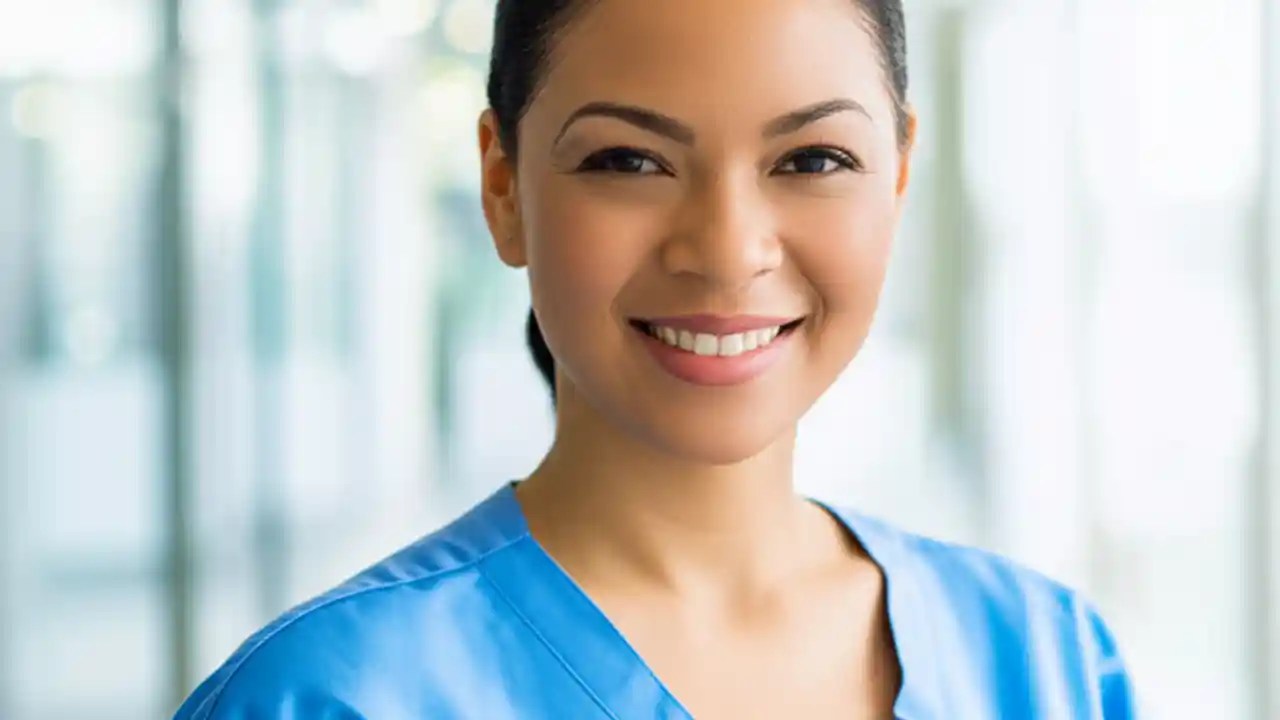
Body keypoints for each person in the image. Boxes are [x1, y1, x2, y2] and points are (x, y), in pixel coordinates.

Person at [174, 0, 1139, 717]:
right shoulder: (328, 697)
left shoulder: (1046, 664)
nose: (726, 249)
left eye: (810, 160)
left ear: (896, 175)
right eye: (628, 162)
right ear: (502, 186)